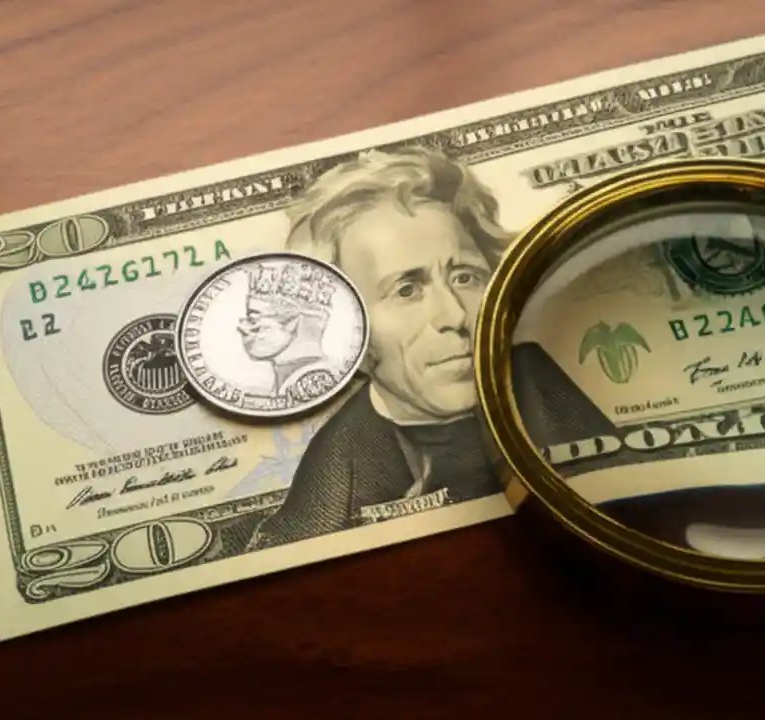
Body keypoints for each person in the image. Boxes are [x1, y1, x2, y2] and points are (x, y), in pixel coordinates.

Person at [248, 146, 617, 548]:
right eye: (407, 289)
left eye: (465, 277)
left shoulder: (546, 380)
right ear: (343, 330)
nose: (455, 316)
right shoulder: (336, 481)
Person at [237, 261, 337, 402]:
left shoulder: (313, 385)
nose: (241, 327)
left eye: (254, 319)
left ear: (292, 323)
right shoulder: (285, 382)